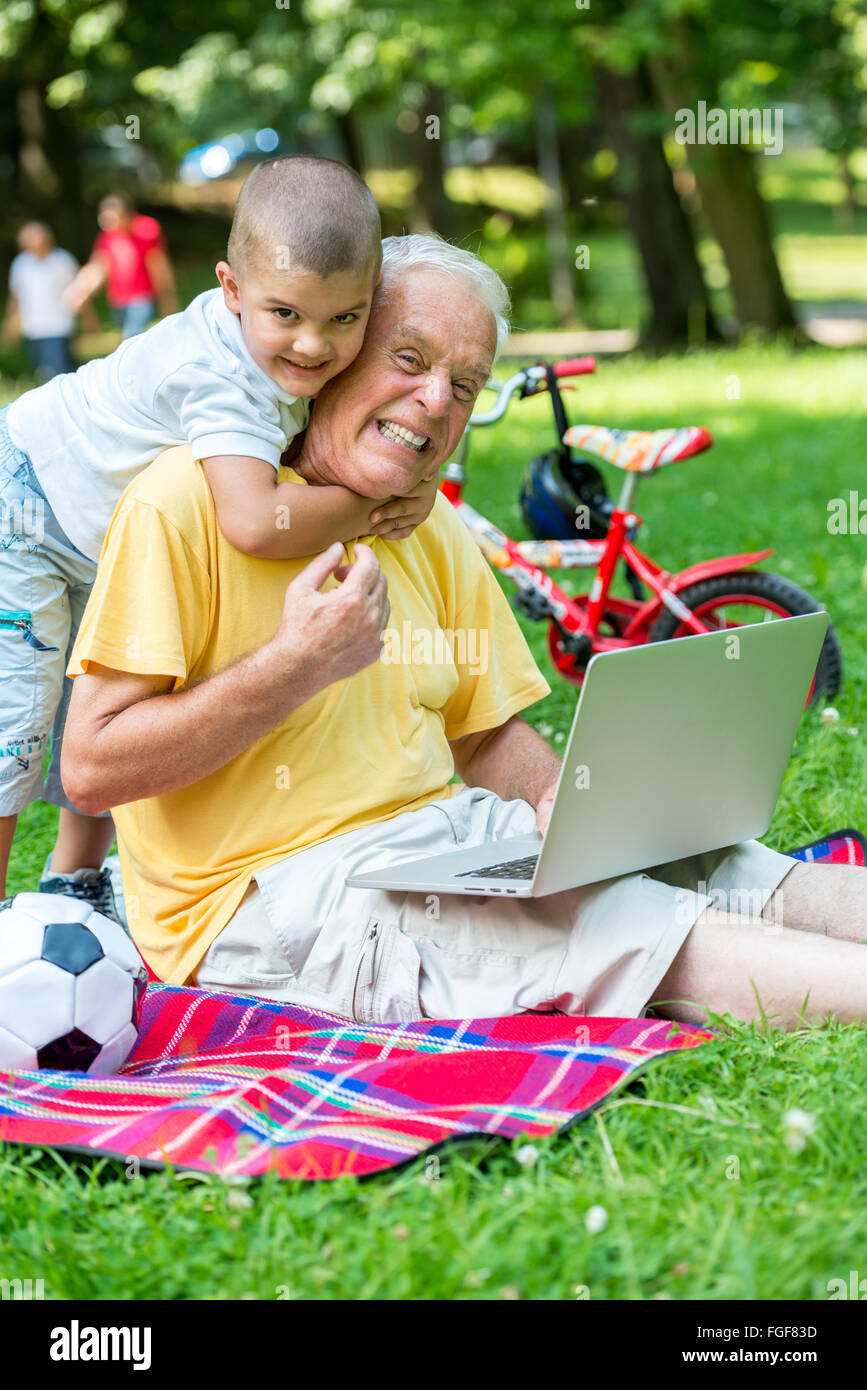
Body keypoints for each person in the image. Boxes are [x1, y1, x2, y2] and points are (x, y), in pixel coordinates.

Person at [61, 235, 867, 1031]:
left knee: (734, 869)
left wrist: (564, 802)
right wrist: (295, 665)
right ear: (334, 352)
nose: (437, 401)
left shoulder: (424, 516)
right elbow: (93, 768)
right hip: (269, 899)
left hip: (445, 842)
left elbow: (483, 740)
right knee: (623, 929)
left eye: (466, 383)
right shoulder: (181, 505)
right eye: (408, 360)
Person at [0, 158, 437, 918]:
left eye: (345, 319)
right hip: (28, 509)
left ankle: (73, 880)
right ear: (230, 289)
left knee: (123, 686)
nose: (312, 346)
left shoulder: (282, 347)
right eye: (286, 316)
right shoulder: (218, 374)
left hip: (93, 527)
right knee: (18, 721)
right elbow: (253, 520)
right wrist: (373, 498)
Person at [63, 192, 178, 339]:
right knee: (128, 341)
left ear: (127, 215)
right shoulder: (107, 237)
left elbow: (159, 266)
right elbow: (98, 268)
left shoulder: (145, 230)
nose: (109, 224)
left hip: (142, 297)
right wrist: (80, 291)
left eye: (113, 219)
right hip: (118, 300)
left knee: (131, 337)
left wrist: (168, 297)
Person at [2, 222, 78, 380]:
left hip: (59, 326)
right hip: (33, 328)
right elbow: (16, 296)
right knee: (43, 372)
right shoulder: (20, 264)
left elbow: (78, 291)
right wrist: (10, 322)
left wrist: (89, 319)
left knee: (60, 374)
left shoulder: (63, 260)